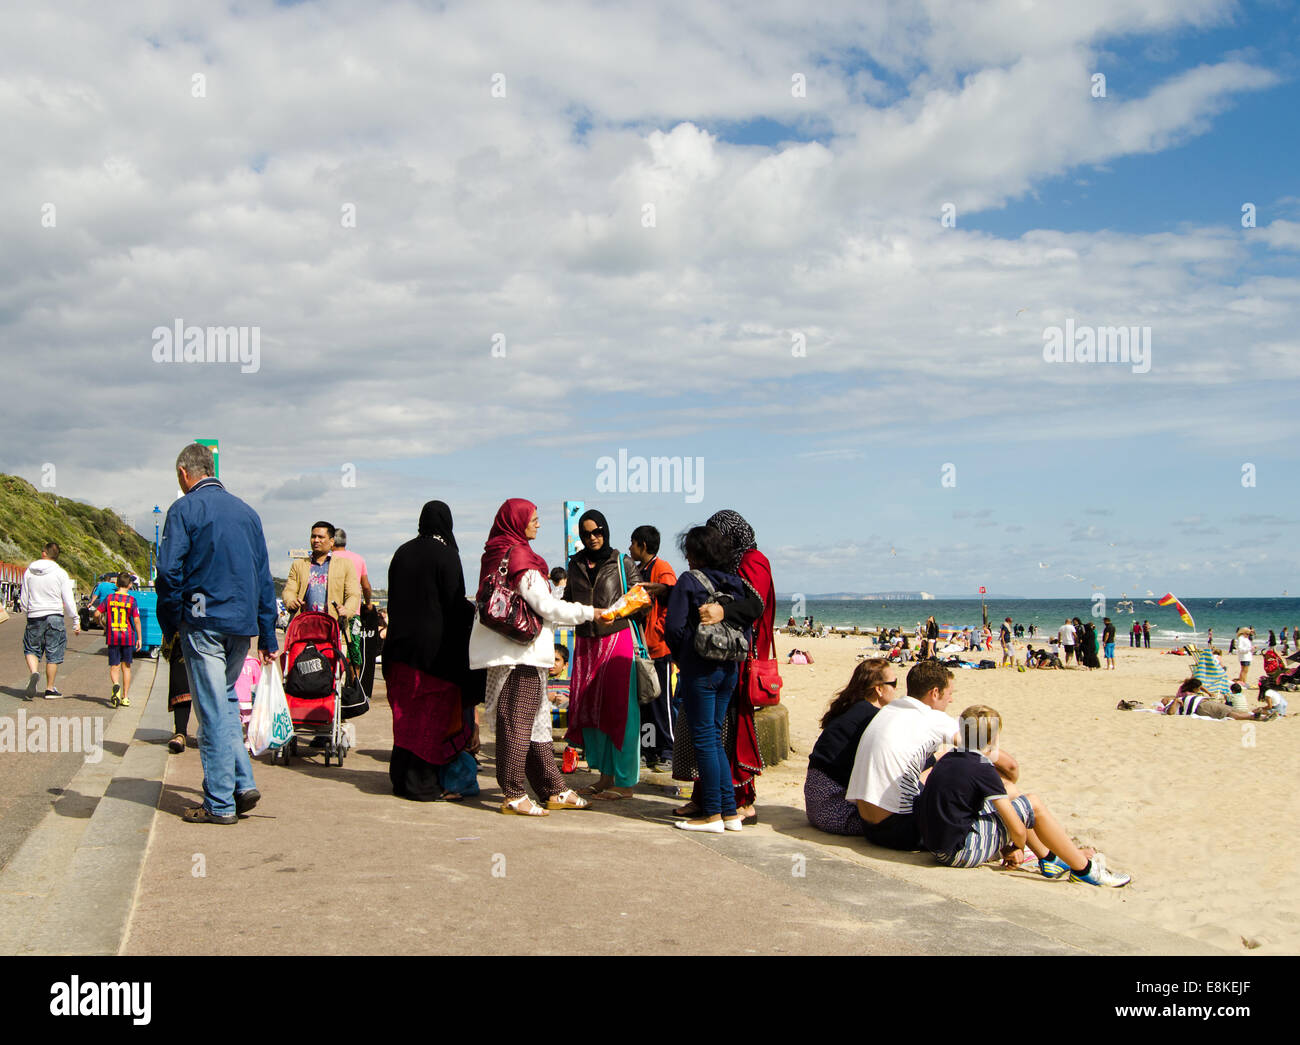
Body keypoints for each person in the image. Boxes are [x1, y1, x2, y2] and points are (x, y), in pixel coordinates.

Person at [156, 442, 278, 825]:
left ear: (183, 473)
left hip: (203, 621)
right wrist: (269, 636)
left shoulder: (184, 509)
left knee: (210, 711)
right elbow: (262, 578)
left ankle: (219, 803)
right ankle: (241, 783)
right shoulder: (248, 513)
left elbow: (169, 573)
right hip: (240, 625)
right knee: (224, 703)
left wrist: (171, 622)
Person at [469, 499, 593, 816]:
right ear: (518, 520)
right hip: (521, 656)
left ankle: (553, 788)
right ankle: (512, 792)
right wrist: (592, 613)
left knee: (535, 725)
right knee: (518, 723)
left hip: (513, 651)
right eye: (534, 519)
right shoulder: (521, 558)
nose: (538, 524)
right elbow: (547, 607)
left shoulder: (497, 553)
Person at [915, 705, 1131, 886]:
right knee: (1032, 804)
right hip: (958, 852)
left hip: (938, 844)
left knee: (1016, 803)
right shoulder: (982, 767)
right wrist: (1016, 847)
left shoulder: (949, 757)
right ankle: (1085, 871)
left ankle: (1049, 858)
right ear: (993, 738)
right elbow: (1017, 828)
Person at [845, 661, 1019, 851]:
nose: (951, 700)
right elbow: (1009, 765)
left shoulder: (888, 710)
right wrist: (1005, 779)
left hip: (869, 827)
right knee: (1007, 788)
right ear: (935, 693)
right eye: (950, 694)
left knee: (947, 767)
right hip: (900, 830)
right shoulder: (932, 718)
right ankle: (1020, 843)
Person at [383, 501, 486, 802]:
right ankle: (423, 784)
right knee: (429, 720)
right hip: (434, 657)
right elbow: (454, 607)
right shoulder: (447, 556)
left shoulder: (402, 553)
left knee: (405, 719)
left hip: (399, 652)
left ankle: (401, 780)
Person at [663, 526, 764, 833]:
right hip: (730, 667)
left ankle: (712, 815)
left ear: (694, 553)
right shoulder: (736, 583)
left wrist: (684, 656)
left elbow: (674, 629)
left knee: (705, 739)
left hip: (700, 668)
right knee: (716, 738)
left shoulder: (689, 581)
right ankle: (729, 812)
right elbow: (751, 615)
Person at [560, 509, 646, 800]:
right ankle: (605, 777)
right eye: (586, 534)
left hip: (616, 639)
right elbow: (569, 602)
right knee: (593, 711)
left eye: (597, 531)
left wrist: (618, 611)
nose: (593, 537)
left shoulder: (622, 562)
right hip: (585, 643)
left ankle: (624, 782)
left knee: (621, 712)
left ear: (605, 531)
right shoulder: (575, 565)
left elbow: (642, 600)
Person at [804, 659, 898, 836]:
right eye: (893, 683)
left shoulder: (852, 708)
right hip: (835, 809)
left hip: (817, 805)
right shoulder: (871, 717)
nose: (896, 689)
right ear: (879, 689)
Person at [629, 524, 677, 771]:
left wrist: (658, 629)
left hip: (658, 647)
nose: (630, 548)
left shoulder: (662, 568)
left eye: (633, 543)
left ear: (643, 546)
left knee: (661, 702)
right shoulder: (639, 570)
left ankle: (668, 750)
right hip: (643, 648)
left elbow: (672, 598)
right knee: (645, 702)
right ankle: (649, 750)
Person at [19, 542, 82, 699]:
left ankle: (34, 672)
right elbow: (68, 599)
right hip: (55, 615)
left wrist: (28, 611)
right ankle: (50, 689)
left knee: (31, 648)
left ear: (43, 553)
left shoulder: (29, 572)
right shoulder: (61, 573)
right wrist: (75, 620)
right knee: (53, 653)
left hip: (35, 615)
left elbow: (24, 597)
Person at [281, 521, 361, 623]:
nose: (316, 540)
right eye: (313, 536)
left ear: (331, 541)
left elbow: (353, 594)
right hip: (303, 627)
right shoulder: (298, 565)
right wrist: (291, 601)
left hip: (333, 626)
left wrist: (347, 610)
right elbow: (289, 590)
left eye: (321, 537)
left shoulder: (345, 565)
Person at [95, 572, 142, 708]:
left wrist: (102, 624)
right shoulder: (132, 601)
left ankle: (116, 685)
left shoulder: (109, 598)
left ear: (116, 584)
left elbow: (97, 613)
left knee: (114, 665)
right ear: (130, 585)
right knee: (126, 667)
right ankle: (125, 697)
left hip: (113, 635)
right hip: (127, 636)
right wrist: (139, 637)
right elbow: (137, 619)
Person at [330, 529, 373, 608]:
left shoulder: (327, 558)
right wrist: (368, 603)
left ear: (331, 541)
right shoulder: (358, 558)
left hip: (332, 609)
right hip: (353, 609)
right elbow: (366, 586)